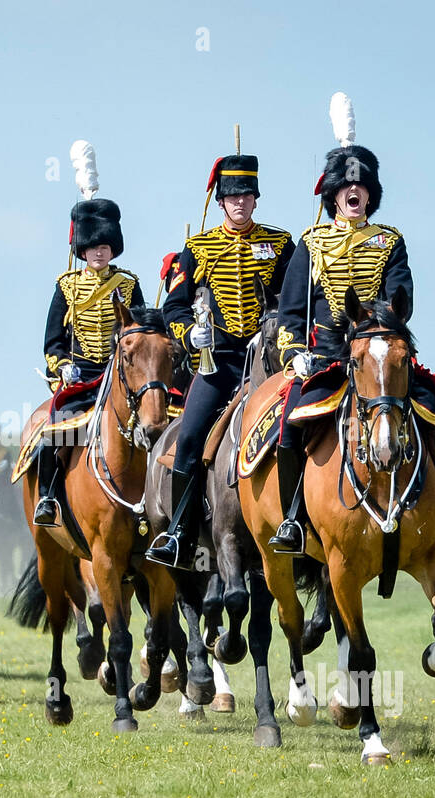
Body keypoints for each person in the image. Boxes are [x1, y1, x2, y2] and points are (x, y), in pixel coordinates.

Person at [268, 104, 435, 559]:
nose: (353, 191)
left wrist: (377, 331)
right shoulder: (311, 243)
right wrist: (293, 355)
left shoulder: (390, 240)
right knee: (286, 424)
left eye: (360, 185)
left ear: (371, 193)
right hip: (323, 359)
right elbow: (290, 313)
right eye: (345, 185)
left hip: (380, 358)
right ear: (333, 194)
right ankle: (291, 521)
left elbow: (403, 297)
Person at [145, 155, 294, 568]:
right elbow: (174, 306)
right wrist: (189, 334)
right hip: (220, 362)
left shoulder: (281, 245)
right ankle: (179, 532)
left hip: (270, 363)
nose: (240, 203)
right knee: (190, 437)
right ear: (221, 202)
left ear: (256, 199)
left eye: (247, 195)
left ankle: (298, 522)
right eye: (232, 196)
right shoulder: (197, 248)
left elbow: (296, 301)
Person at [33, 198, 143, 526]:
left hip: (120, 375)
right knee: (54, 430)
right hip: (81, 377)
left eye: (105, 246)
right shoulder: (66, 286)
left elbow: (139, 331)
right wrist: (62, 366)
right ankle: (48, 497)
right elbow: (52, 341)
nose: (99, 252)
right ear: (83, 249)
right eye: (93, 246)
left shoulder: (128, 284)